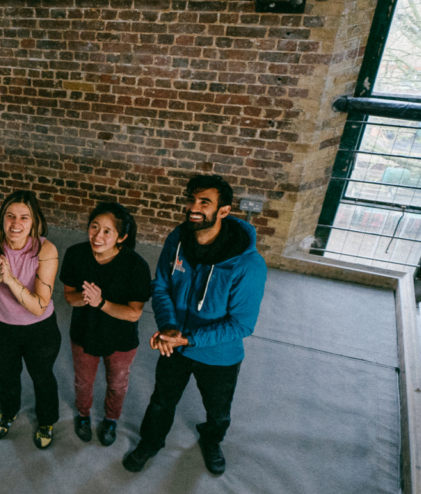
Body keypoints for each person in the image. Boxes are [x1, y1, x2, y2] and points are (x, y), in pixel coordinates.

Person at [122, 174, 266, 476]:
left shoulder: (247, 265)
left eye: (204, 202)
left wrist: (186, 339)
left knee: (217, 410)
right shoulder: (177, 239)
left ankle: (212, 441)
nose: (193, 207)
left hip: (219, 355)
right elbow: (161, 286)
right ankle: (151, 442)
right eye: (191, 199)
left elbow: (241, 325)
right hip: (175, 343)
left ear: (224, 211)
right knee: (161, 401)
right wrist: (169, 327)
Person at [0, 190, 61, 448]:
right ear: (2, 219)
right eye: (10, 216)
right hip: (0, 329)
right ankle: (8, 411)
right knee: (7, 376)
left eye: (24, 217)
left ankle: (46, 421)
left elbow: (38, 307)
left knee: (43, 376)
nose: (16, 223)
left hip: (39, 331)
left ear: (34, 222)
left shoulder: (46, 250)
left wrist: (10, 280)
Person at [59, 201, 151, 447]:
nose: (98, 236)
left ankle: (111, 419)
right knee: (83, 380)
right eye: (94, 227)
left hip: (120, 338)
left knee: (118, 382)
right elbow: (69, 296)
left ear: (122, 237)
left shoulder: (136, 266)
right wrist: (85, 299)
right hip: (84, 332)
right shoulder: (76, 254)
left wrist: (101, 303)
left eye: (107, 231)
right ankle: (83, 414)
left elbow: (134, 314)